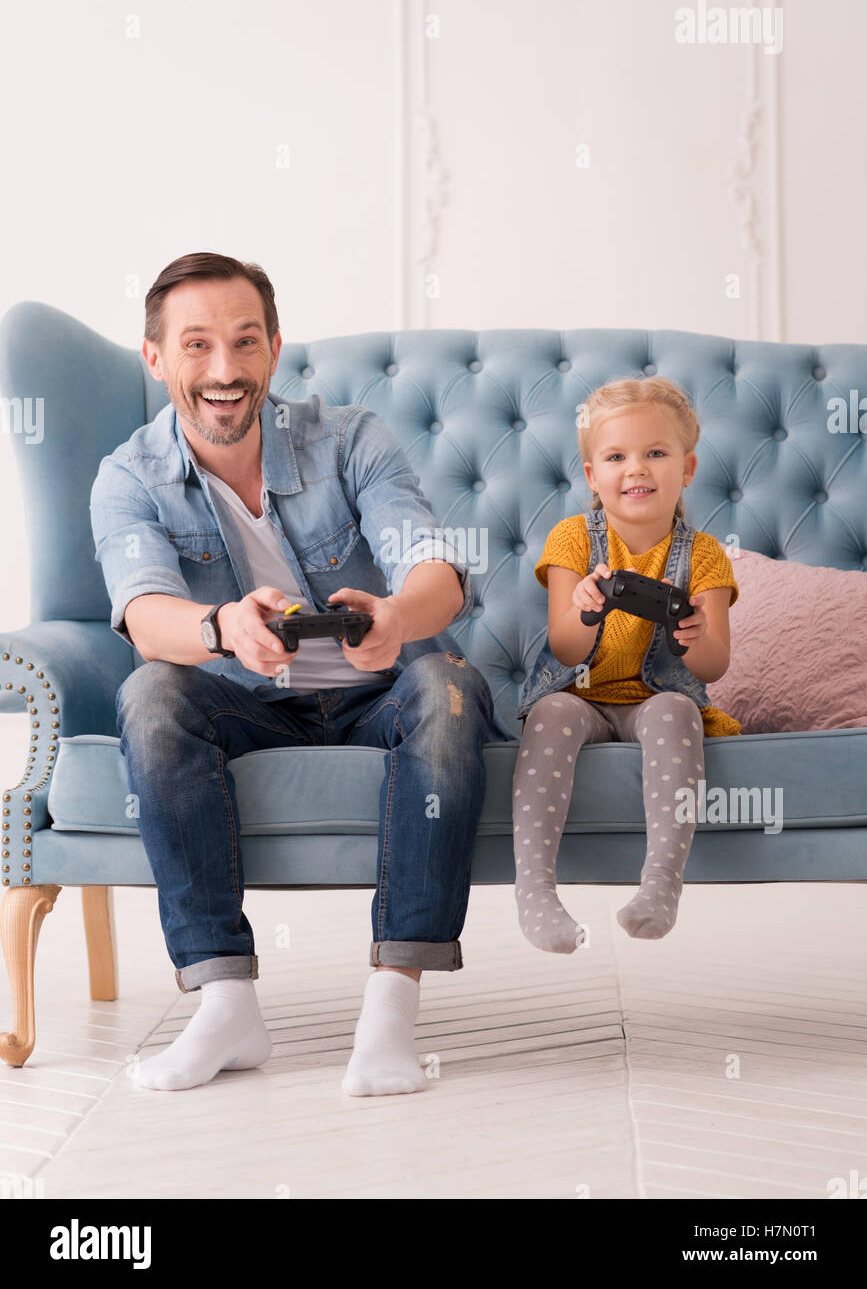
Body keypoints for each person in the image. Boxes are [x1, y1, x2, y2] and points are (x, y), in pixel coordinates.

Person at [90, 251, 511, 1095]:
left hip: (381, 695)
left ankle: (391, 1007)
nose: (224, 370)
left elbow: (433, 568)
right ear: (156, 358)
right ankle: (225, 1004)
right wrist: (221, 627)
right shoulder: (128, 476)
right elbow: (143, 613)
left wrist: (396, 618)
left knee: (448, 684)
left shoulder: (351, 438)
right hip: (249, 705)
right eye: (197, 345)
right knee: (150, 692)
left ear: (274, 349)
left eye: (245, 342)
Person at [512, 376, 740, 952]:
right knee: (551, 712)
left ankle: (660, 883)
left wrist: (693, 635)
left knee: (676, 710)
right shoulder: (572, 538)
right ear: (593, 476)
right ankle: (535, 891)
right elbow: (565, 649)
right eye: (616, 457)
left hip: (653, 701)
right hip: (580, 697)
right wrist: (586, 611)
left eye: (655, 453)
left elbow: (713, 666)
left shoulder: (704, 554)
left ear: (687, 469)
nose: (636, 469)